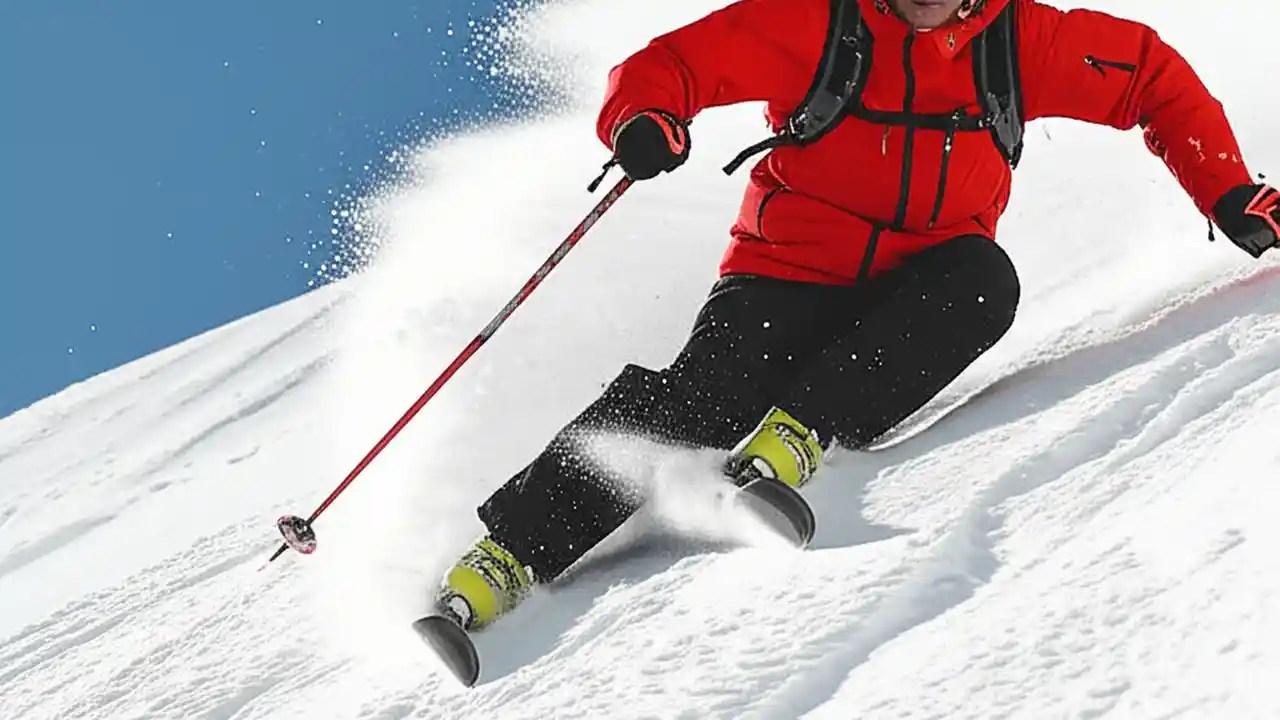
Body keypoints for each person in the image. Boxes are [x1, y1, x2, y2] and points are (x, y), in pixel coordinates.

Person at [431, 0, 1280, 630]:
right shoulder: (817, 22)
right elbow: (671, 65)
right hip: (781, 274)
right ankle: (507, 554)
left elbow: (1151, 78)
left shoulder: (1025, 43)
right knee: (704, 398)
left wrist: (1228, 189)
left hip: (922, 283)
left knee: (985, 281)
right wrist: (648, 119)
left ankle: (799, 434)